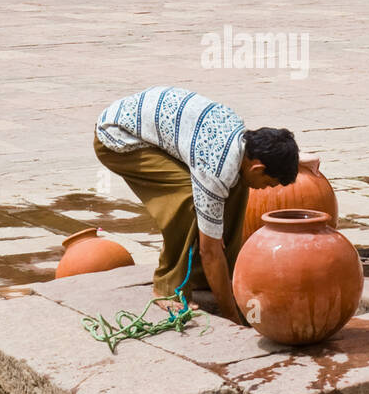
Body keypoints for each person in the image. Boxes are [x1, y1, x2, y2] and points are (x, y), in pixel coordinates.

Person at [94, 86, 299, 324]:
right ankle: (168, 287)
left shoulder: (243, 142)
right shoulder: (214, 169)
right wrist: (231, 315)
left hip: (151, 127)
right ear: (258, 168)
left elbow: (254, 170)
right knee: (189, 201)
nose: (265, 189)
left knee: (238, 186)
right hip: (117, 137)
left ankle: (204, 278)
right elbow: (209, 250)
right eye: (268, 184)